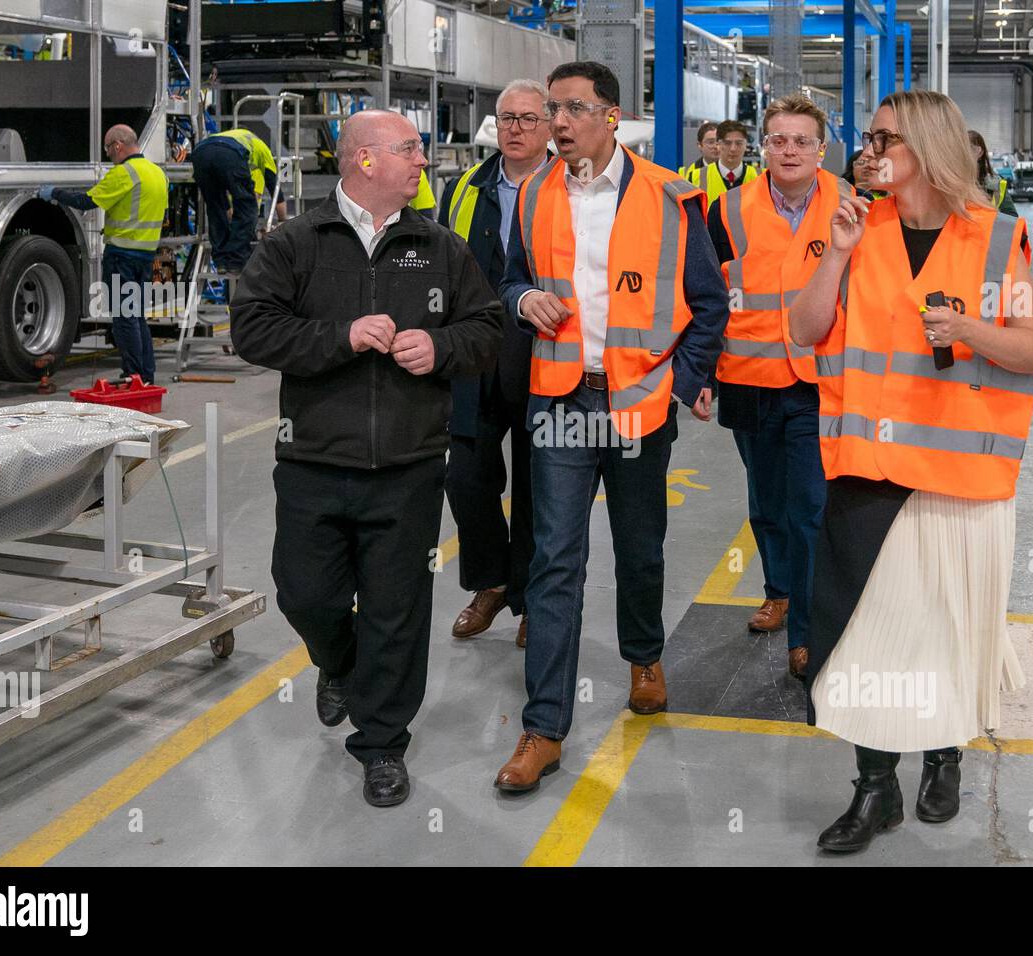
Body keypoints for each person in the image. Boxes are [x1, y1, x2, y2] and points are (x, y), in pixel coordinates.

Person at [787, 90, 1033, 853]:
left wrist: (970, 329)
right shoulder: (853, 227)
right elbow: (804, 334)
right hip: (870, 469)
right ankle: (875, 789)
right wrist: (834, 253)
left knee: (947, 634)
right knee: (865, 639)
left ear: (928, 146)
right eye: (866, 139)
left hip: (962, 478)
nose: (868, 152)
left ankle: (944, 758)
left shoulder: (998, 238)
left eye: (884, 139)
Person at [230, 109, 504, 808]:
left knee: (396, 610)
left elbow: (486, 327)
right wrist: (341, 336)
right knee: (306, 593)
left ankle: (381, 744)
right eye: (410, 149)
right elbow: (253, 329)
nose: (422, 159)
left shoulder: (437, 246)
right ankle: (337, 661)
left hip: (409, 465)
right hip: (314, 460)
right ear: (364, 160)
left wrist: (440, 349)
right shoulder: (297, 241)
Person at [493, 61, 729, 793]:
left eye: (573, 109)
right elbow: (507, 278)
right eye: (552, 109)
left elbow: (708, 303)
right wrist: (522, 298)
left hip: (636, 405)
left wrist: (679, 385)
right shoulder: (532, 193)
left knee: (640, 546)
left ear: (611, 116)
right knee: (554, 560)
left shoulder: (669, 196)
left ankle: (643, 654)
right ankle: (543, 729)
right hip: (560, 399)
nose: (558, 123)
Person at [704, 94, 851, 678]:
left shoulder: (851, 205)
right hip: (748, 376)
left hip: (821, 380)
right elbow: (706, 297)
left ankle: (808, 633)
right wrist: (699, 373)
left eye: (801, 141)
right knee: (766, 504)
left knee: (812, 507)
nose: (789, 150)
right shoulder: (727, 210)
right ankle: (780, 589)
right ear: (763, 147)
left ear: (821, 149)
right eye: (778, 140)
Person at [439, 79, 554, 648]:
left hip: (545, 353)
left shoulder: (569, 187)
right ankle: (491, 582)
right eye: (507, 118)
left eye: (528, 119)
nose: (514, 128)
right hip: (473, 355)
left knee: (541, 484)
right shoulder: (464, 188)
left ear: (549, 125)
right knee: (466, 477)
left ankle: (534, 598)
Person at [40, 124, 166, 383]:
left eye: (108, 149)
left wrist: (54, 193)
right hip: (145, 257)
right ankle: (146, 376)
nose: (109, 155)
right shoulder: (157, 173)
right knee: (137, 318)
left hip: (123, 257)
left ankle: (133, 375)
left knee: (124, 319)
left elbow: (86, 202)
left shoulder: (124, 173)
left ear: (118, 146)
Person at [190, 126, 285, 272]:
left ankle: (221, 261)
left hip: (200, 153)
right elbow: (276, 190)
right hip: (228, 154)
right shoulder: (262, 150)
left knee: (216, 207)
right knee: (248, 207)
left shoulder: (236, 138)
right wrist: (283, 221)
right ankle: (236, 260)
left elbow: (226, 207)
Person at [684, 119, 760, 201]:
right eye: (727, 143)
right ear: (718, 144)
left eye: (739, 143)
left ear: (746, 145)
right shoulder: (695, 177)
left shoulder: (762, 177)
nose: (733, 149)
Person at [968, 130, 1017, 217]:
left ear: (980, 152)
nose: (966, 153)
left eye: (971, 148)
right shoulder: (950, 182)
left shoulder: (995, 184)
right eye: (961, 149)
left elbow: (1011, 218)